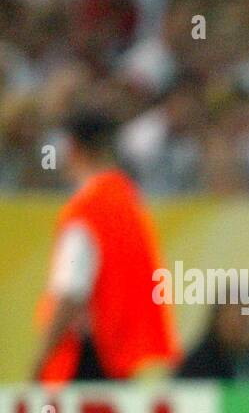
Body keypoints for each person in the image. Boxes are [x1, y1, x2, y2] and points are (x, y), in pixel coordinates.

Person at [33, 107, 179, 383]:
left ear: (73, 148)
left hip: (86, 359)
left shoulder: (87, 208)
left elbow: (71, 292)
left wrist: (39, 360)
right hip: (120, 357)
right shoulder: (128, 203)